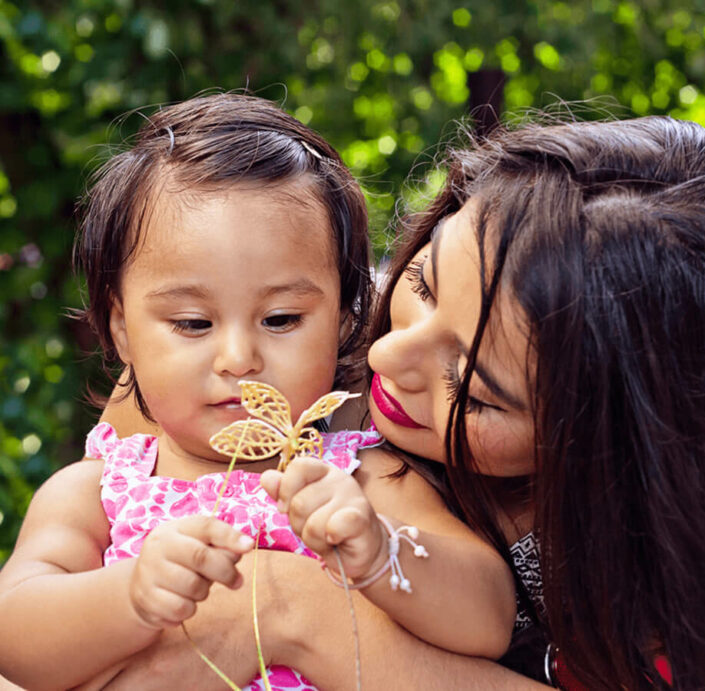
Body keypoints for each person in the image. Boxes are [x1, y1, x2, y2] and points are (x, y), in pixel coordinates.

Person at [78, 114, 705, 691]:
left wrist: (290, 610)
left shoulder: (687, 586)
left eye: (477, 390)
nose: (384, 356)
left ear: (607, 445)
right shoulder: (258, 350)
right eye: (425, 283)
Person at [0, 93, 518, 690]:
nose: (239, 359)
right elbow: (16, 638)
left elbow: (488, 616)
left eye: (281, 320)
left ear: (346, 323)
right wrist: (129, 597)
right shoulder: (99, 490)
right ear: (122, 330)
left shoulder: (357, 480)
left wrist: (382, 552)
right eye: (193, 324)